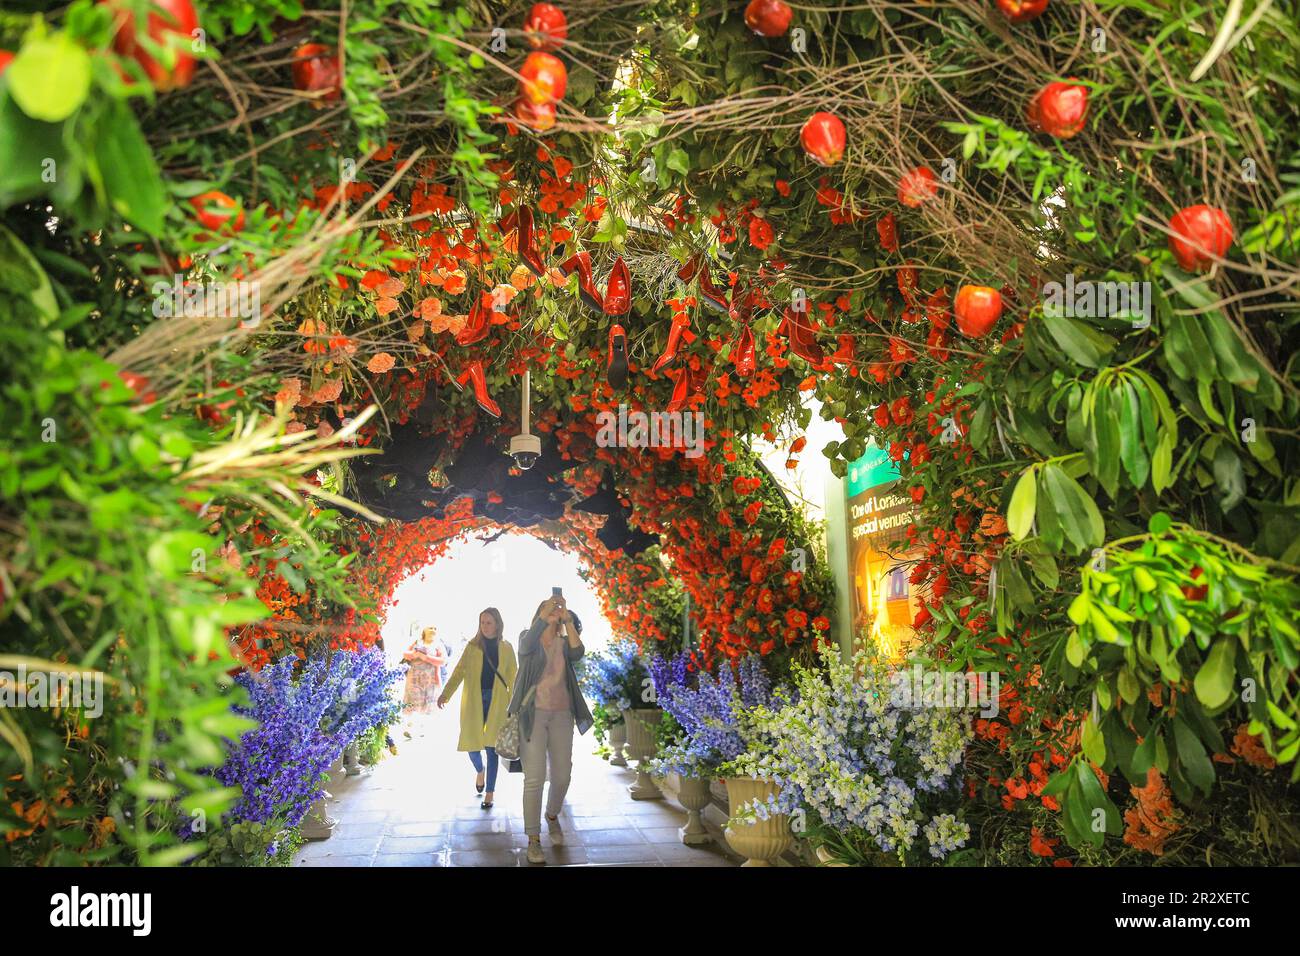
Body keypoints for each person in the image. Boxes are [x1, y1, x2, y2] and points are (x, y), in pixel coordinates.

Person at [507, 593, 593, 864]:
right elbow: (526, 644)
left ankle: (552, 815)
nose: (554, 613)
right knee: (533, 779)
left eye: (556, 611)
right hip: (533, 715)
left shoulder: (564, 642)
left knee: (562, 775)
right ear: (539, 614)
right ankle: (533, 839)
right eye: (548, 611)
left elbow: (579, 653)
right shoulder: (527, 639)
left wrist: (566, 619)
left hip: (562, 714)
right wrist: (545, 616)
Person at [437, 607, 517, 810]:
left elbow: (514, 677)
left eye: (489, 622)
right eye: (482, 622)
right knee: (472, 746)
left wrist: (517, 703)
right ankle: (479, 770)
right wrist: (446, 693)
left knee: (492, 749)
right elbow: (457, 672)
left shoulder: (506, 648)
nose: (485, 626)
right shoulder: (472, 647)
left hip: (497, 701)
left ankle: (489, 793)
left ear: (498, 624)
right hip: (473, 700)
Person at [401, 627, 447, 734]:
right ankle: (410, 728)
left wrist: (425, 657)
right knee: (412, 702)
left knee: (428, 705)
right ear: (424, 630)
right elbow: (405, 654)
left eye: (435, 628)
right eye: (430, 627)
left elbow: (443, 661)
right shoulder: (417, 642)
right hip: (414, 679)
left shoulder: (438, 644)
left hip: (430, 681)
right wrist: (414, 655)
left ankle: (423, 729)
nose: (433, 629)